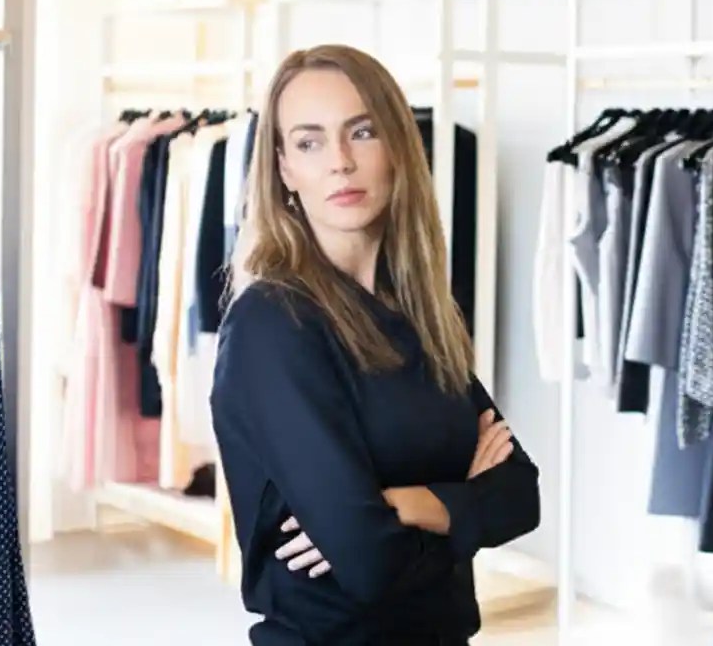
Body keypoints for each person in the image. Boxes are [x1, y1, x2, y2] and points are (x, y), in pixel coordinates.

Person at [211, 44, 541, 646]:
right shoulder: (273, 324)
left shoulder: (419, 312)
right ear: (284, 169)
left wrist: (407, 504)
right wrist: (465, 504)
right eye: (309, 142)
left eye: (360, 132)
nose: (340, 161)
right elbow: (369, 562)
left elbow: (522, 494)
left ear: (396, 145)